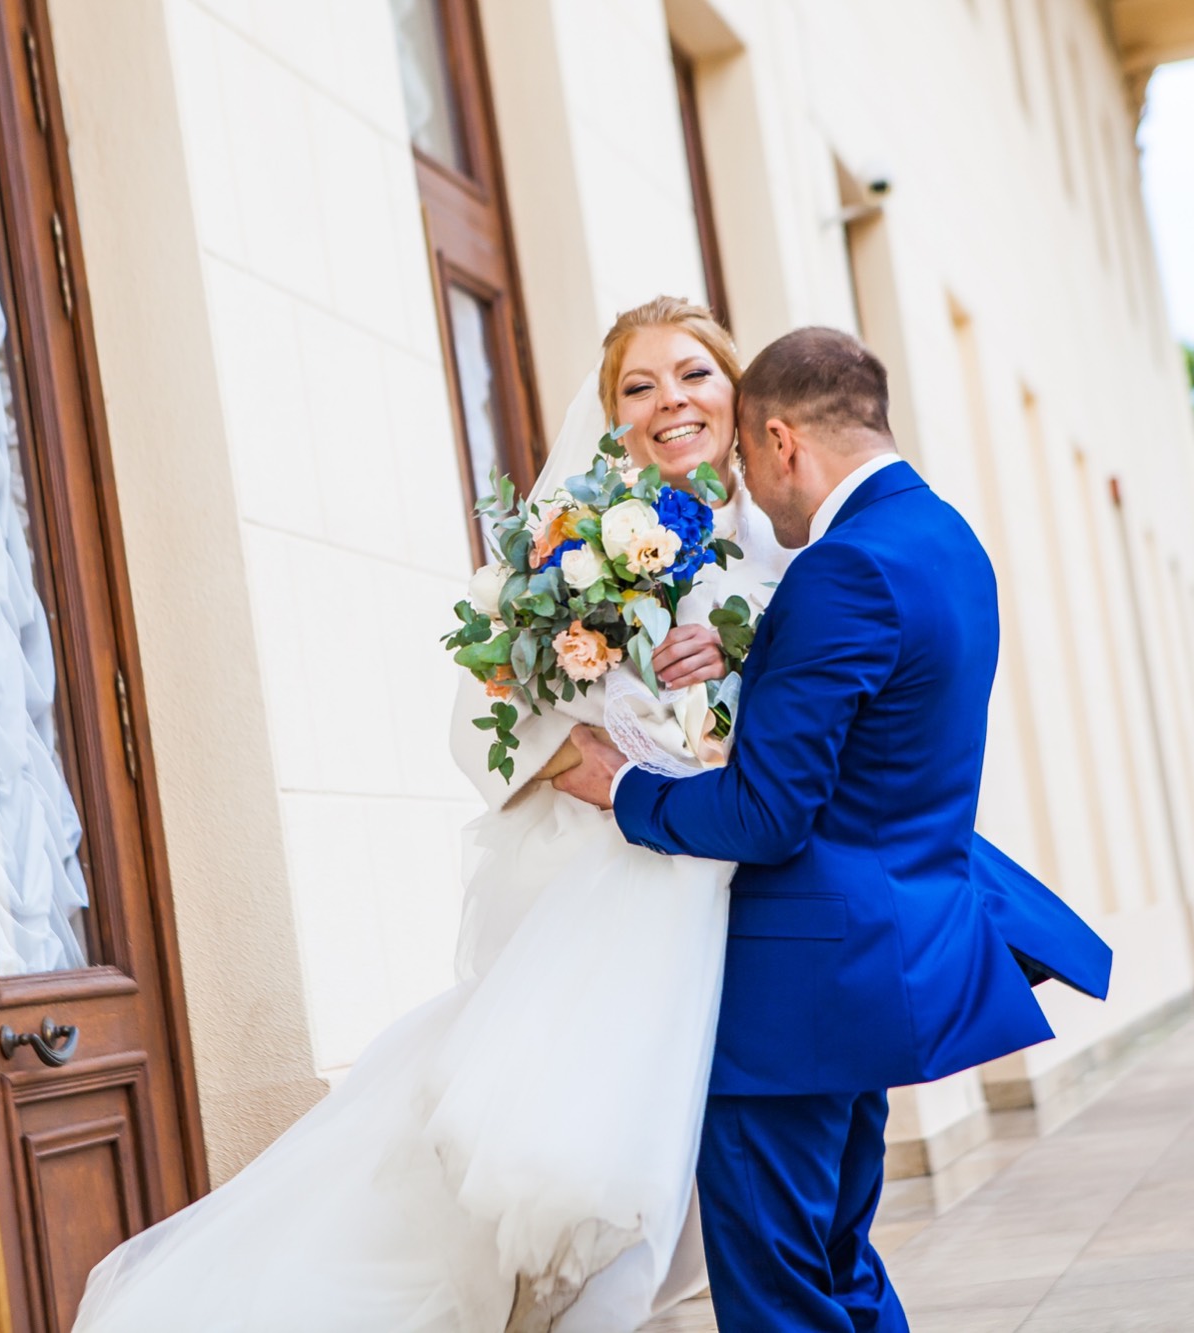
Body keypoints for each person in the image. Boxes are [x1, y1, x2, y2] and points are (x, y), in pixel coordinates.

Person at [72, 297, 798, 1331]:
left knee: (685, 1196)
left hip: (739, 898)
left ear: (735, 391)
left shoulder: (781, 554)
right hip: (608, 897)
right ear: (610, 418)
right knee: (573, 1179)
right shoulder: (567, 545)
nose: (669, 401)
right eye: (638, 387)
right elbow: (481, 712)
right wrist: (586, 764)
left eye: (692, 375)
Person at [555, 326, 1113, 1331]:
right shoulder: (947, 539)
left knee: (781, 1292)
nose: (748, 486)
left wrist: (621, 788)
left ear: (779, 441)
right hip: (874, 967)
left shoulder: (840, 569)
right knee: (835, 1267)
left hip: (795, 988)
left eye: (745, 454)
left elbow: (766, 815)